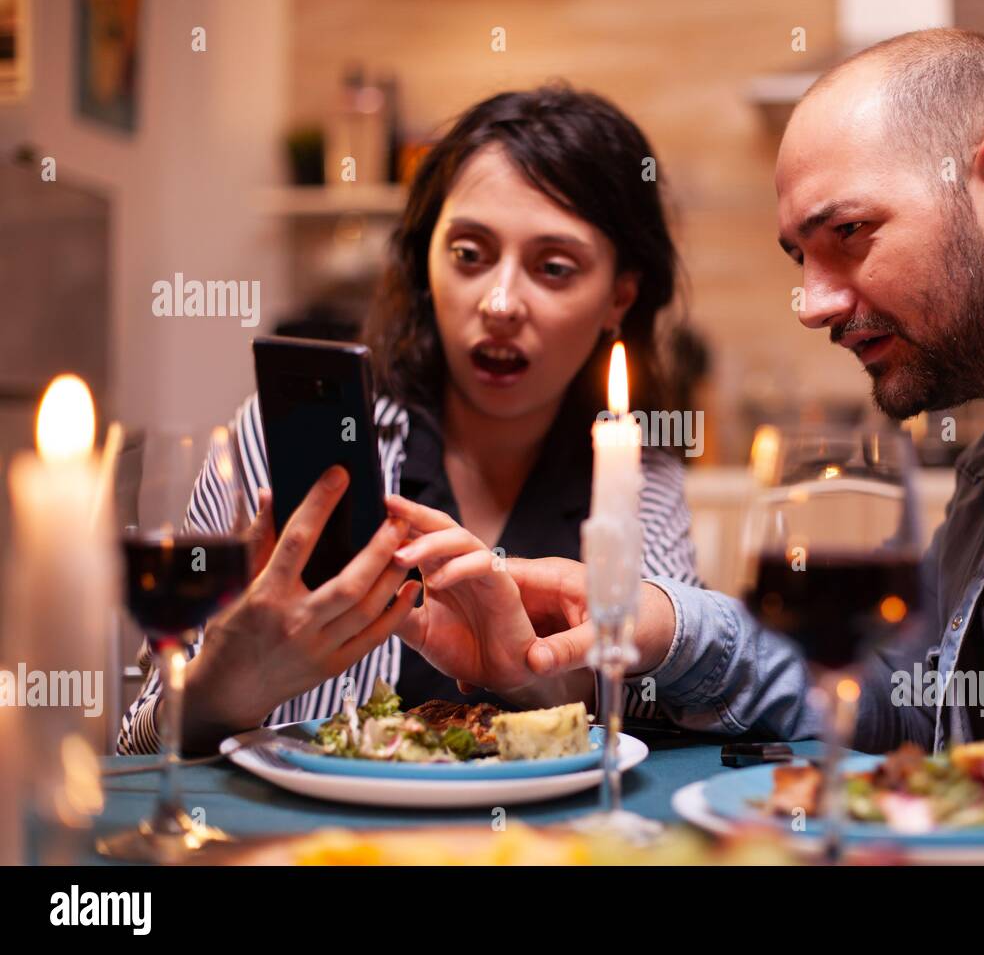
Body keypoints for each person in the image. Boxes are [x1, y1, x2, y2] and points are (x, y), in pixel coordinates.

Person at [414, 28, 984, 752]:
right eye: (802, 257)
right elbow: (890, 711)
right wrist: (666, 627)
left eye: (849, 232)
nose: (813, 304)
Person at [118, 85, 699, 755]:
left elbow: (679, 725)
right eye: (469, 255)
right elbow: (134, 754)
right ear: (426, 264)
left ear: (618, 297)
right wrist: (215, 696)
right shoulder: (283, 446)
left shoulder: (643, 484)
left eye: (555, 267)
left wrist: (547, 684)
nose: (501, 303)